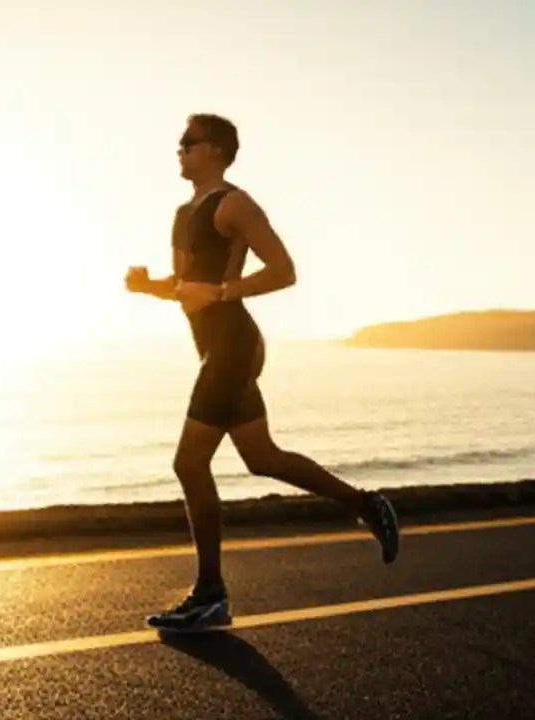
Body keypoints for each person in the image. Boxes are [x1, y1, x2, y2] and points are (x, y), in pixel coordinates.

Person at [124, 114, 400, 633]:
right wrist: (146, 287)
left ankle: (210, 596)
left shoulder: (236, 205)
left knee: (189, 463)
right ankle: (366, 504)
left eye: (189, 143)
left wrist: (225, 292)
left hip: (233, 343)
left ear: (217, 151)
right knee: (261, 457)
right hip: (211, 347)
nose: (178, 149)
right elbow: (187, 286)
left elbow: (283, 270)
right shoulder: (184, 213)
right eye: (179, 143)